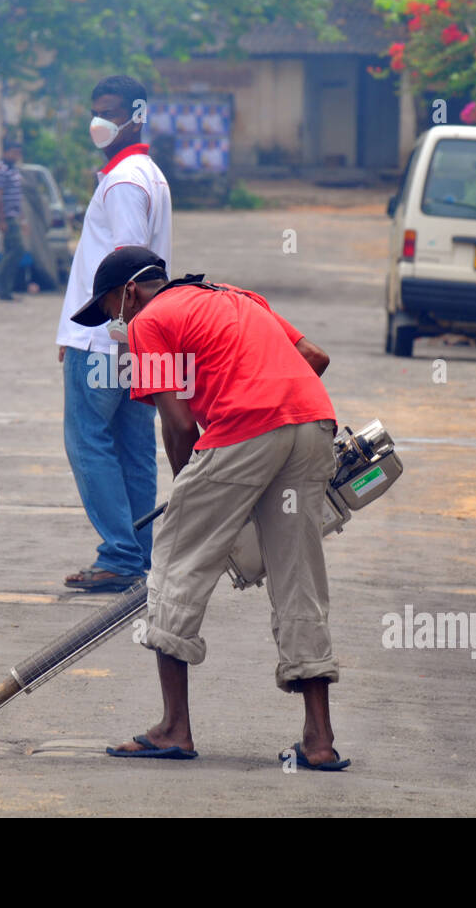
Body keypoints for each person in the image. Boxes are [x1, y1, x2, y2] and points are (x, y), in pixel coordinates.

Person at [68, 247, 348, 770]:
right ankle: (320, 740)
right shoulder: (236, 295)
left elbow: (176, 424)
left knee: (173, 560)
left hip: (247, 428)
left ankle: (174, 729)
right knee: (299, 577)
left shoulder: (149, 320)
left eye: (112, 310)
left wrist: (192, 493)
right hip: (312, 423)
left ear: (131, 290)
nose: (115, 322)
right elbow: (315, 359)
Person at [56, 75, 172, 592]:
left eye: (111, 112)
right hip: (137, 341)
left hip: (106, 338)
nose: (99, 122)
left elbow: (131, 266)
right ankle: (136, 554)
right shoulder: (149, 174)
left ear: (138, 114)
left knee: (89, 444)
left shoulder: (125, 181)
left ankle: (121, 555)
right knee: (134, 449)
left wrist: (119, 336)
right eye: (96, 110)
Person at [0, 138, 25, 301]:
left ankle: (4, 291)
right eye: (14, 152)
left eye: (18, 153)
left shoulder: (14, 169)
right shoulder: (1, 169)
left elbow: (17, 195)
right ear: (6, 152)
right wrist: (1, 219)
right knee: (18, 250)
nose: (16, 156)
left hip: (15, 215)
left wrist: (22, 218)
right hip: (7, 217)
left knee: (10, 252)